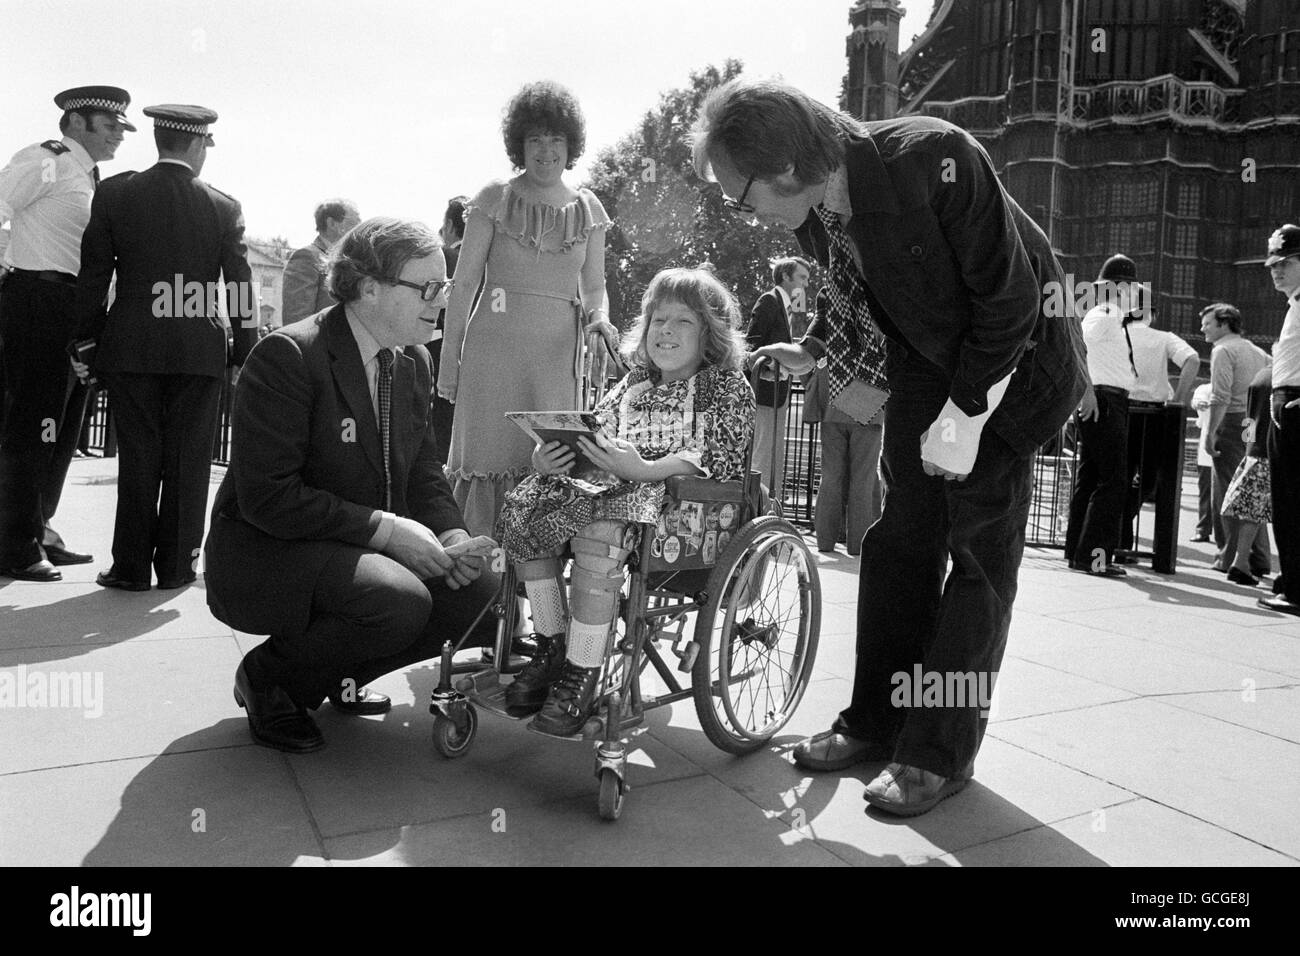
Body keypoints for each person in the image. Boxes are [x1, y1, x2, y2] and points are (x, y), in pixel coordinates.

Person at [691, 78, 1087, 816]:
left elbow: (1012, 303)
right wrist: (815, 349)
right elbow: (859, 291)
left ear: (784, 168)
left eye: (740, 196)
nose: (742, 213)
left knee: (977, 556)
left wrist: (965, 417)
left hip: (1012, 367)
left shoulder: (935, 157)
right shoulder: (815, 207)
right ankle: (876, 721)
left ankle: (937, 754)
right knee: (900, 538)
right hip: (926, 366)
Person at [204, 217, 498, 752]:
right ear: (369, 288)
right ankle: (271, 679)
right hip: (265, 552)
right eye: (429, 288)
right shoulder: (288, 356)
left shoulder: (414, 360)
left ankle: (339, 675)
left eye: (447, 287)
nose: (443, 300)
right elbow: (269, 499)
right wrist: (386, 530)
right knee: (397, 601)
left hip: (351, 550)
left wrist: (453, 538)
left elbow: (424, 473)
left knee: (480, 596)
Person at [496, 267, 754, 736]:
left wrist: (645, 470)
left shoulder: (726, 386)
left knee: (601, 528)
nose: (666, 331)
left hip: (683, 506)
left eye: (683, 322)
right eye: (658, 320)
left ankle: (583, 669)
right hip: (613, 489)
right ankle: (554, 644)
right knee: (528, 502)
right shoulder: (632, 381)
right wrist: (552, 455)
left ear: (710, 334)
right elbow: (595, 434)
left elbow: (720, 458)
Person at [73, 104, 260, 591]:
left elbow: (94, 275)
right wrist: (245, 351)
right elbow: (239, 285)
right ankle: (177, 567)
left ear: (158, 141)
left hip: (132, 348)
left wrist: (87, 340)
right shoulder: (223, 206)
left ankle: (130, 567)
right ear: (197, 145)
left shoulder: (116, 193)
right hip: (198, 352)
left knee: (138, 456)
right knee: (189, 458)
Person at [438, 81, 616, 536]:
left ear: (570, 145)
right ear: (519, 143)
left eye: (556, 138)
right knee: (485, 463)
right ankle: (480, 588)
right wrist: (449, 364)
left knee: (548, 465)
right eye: (535, 138)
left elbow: (595, 287)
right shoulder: (493, 198)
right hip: (490, 355)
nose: (545, 149)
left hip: (556, 360)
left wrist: (600, 319)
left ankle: (537, 593)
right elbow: (464, 286)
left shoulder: (589, 207)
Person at [0, 85, 135, 582]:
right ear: (78, 121)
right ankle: (13, 544)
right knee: (32, 423)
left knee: (63, 423)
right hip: (38, 300)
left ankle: (40, 529)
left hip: (75, 308)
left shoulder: (89, 174)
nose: (121, 133)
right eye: (112, 123)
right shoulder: (47, 160)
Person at [1064, 254, 1141, 577]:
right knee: (1113, 481)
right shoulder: (1107, 313)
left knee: (1092, 478)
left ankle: (1078, 553)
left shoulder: (1109, 314)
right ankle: (1095, 558)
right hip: (1105, 402)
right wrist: (1088, 392)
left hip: (1103, 400)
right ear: (1122, 286)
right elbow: (1076, 346)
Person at [806, 287, 882, 555]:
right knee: (863, 478)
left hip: (833, 397)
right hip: (868, 398)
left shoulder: (831, 295)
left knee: (831, 476)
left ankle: (824, 543)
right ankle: (858, 546)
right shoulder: (876, 295)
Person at [1119, 306, 1199, 556]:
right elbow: (1192, 360)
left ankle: (1117, 535)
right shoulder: (1164, 337)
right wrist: (1180, 398)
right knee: (1148, 477)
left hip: (1120, 408)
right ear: (1152, 315)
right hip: (1153, 415)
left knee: (1117, 474)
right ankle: (1125, 528)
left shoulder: (1115, 336)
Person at [1202, 302, 1270, 577]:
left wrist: (1209, 433)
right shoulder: (1257, 351)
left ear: (1223, 323)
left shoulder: (1223, 350)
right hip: (1250, 422)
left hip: (1230, 422)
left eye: (1208, 323)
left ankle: (1227, 555)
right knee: (1250, 485)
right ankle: (1260, 556)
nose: (1202, 328)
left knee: (1227, 490)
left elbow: (1220, 396)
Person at [1261, 224, 1300, 616]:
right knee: (1287, 501)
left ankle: (1295, 590)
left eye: (1286, 261)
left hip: (1295, 407)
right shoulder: (1295, 304)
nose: (1276, 269)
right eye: (1274, 263)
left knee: (1290, 502)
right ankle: (1291, 580)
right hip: (1285, 405)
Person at [745, 256, 808, 495]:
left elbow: (799, 339)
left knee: (774, 457)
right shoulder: (769, 302)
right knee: (762, 458)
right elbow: (751, 348)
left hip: (778, 396)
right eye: (802, 278)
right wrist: (772, 367)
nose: (806, 284)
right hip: (764, 395)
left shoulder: (792, 306)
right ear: (785, 277)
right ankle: (759, 511)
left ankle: (772, 508)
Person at [1221, 364, 1274, 586]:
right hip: (1273, 450)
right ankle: (1242, 562)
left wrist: (1249, 445)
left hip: (1255, 448)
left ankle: (1241, 561)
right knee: (1257, 512)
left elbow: (1249, 416)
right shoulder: (1286, 377)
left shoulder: (1260, 376)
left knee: (1250, 511)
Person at [425, 195, 467, 465]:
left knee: (439, 424)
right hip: (476, 352)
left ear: (450, 225)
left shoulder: (446, 257)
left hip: (437, 348)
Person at [281, 199, 360, 326]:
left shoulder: (350, 261)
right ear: (332, 223)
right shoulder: (306, 257)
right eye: (354, 223)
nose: (359, 230)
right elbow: (297, 323)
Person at [1190, 382, 1214, 542]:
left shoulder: (1242, 389)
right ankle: (1203, 529)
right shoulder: (1205, 389)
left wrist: (1249, 445)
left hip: (1235, 451)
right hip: (1207, 453)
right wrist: (1198, 404)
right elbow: (1196, 401)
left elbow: (1249, 420)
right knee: (1206, 493)